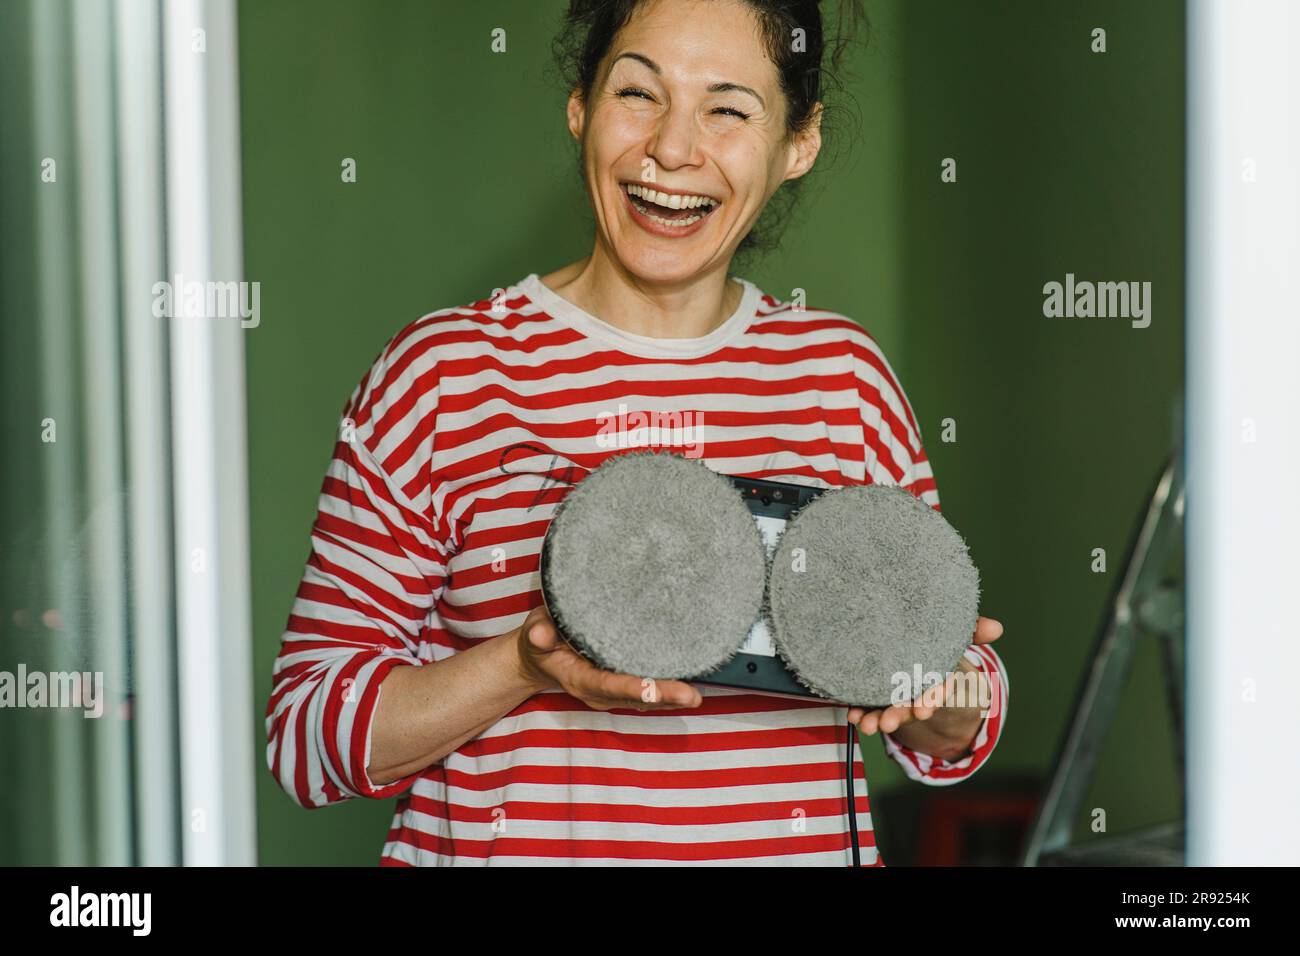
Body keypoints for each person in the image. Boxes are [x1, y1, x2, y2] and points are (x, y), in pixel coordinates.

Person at [266, 0, 1008, 866]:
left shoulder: (841, 378)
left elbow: (958, 711)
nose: (672, 149)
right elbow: (303, 739)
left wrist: (941, 694)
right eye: (638, 93)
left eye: (728, 109)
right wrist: (524, 662)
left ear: (797, 144)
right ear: (581, 105)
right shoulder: (445, 373)